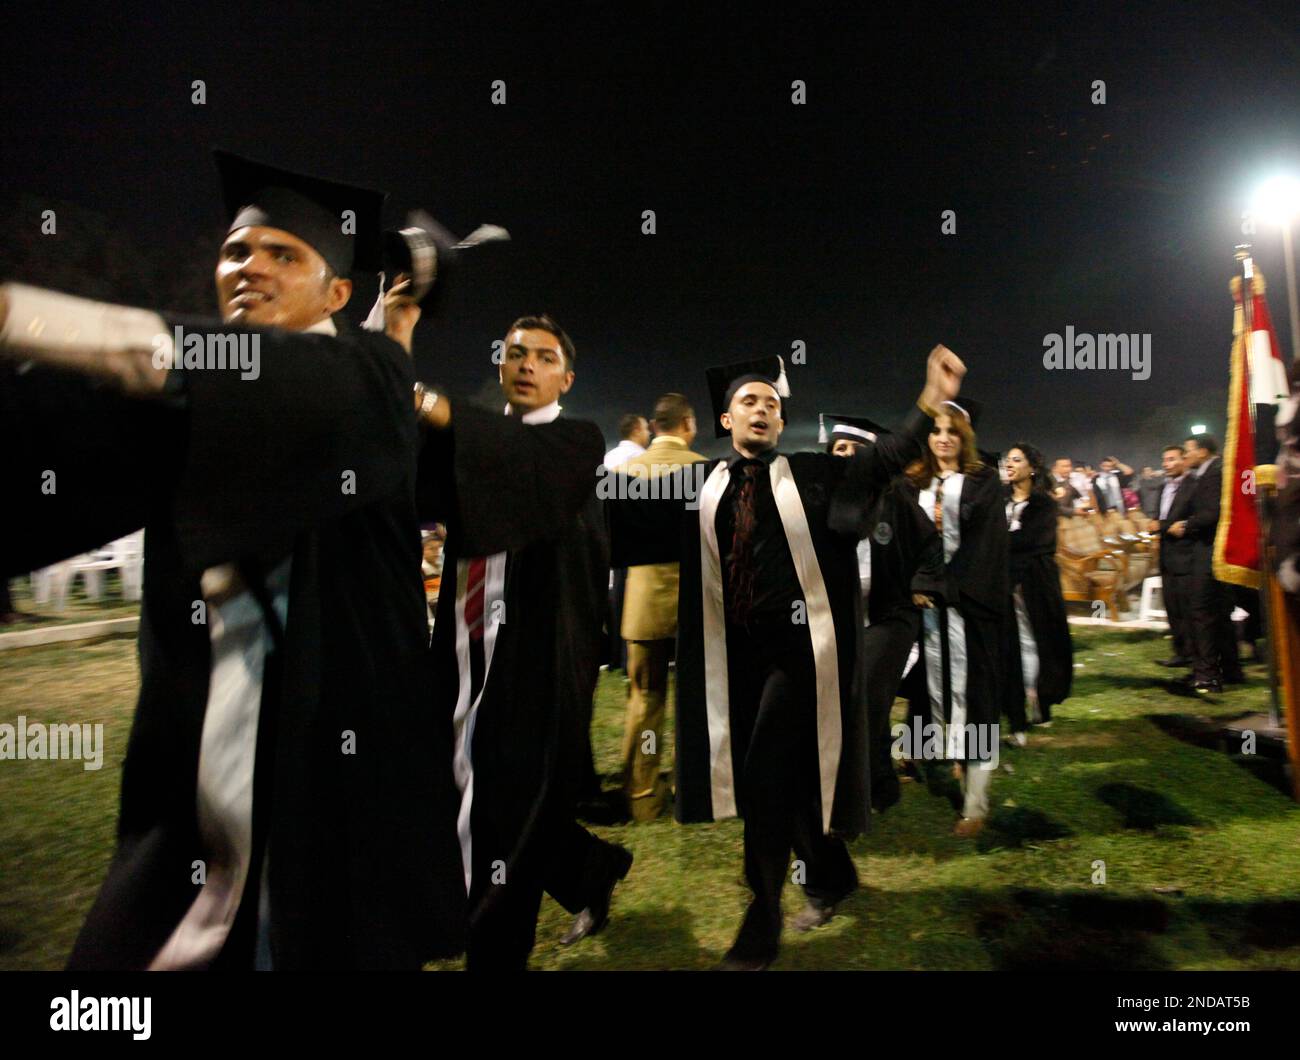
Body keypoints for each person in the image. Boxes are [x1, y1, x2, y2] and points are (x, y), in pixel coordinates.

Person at [0, 151, 464, 969]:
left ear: (338, 295)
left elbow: (242, 370)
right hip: (192, 800)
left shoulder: (372, 378)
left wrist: (21, 315)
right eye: (236, 251)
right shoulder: (189, 402)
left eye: (285, 254)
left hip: (334, 795)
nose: (249, 267)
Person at [607, 345, 967, 969]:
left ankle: (763, 913)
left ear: (779, 423)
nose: (761, 411)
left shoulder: (812, 475)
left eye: (771, 404)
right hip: (734, 658)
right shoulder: (701, 484)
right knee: (773, 781)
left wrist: (929, 400)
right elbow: (615, 515)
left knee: (768, 776)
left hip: (801, 657)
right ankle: (830, 875)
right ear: (725, 420)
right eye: (748, 401)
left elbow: (882, 461)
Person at [414, 313, 633, 968]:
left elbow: (519, 464)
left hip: (537, 667)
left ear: (566, 376)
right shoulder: (475, 446)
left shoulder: (576, 444)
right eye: (514, 354)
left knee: (506, 816)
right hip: (461, 650)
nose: (526, 364)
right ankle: (589, 869)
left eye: (542, 356)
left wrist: (426, 399)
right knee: (477, 799)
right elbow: (419, 489)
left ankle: (491, 954)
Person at [821, 413, 944, 813]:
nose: (848, 456)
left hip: (889, 617)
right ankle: (868, 783)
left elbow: (931, 546)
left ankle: (868, 789)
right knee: (845, 704)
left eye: (857, 450)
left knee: (868, 701)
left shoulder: (897, 498)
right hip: (842, 619)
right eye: (840, 449)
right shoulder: (822, 499)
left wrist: (923, 582)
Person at [901, 398, 1009, 838]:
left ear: (964, 438)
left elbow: (987, 547)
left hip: (971, 609)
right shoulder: (913, 483)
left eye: (952, 432)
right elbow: (903, 540)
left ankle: (975, 804)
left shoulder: (983, 483)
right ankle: (922, 758)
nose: (943, 439)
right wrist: (914, 584)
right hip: (924, 613)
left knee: (977, 701)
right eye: (936, 431)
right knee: (924, 696)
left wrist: (942, 587)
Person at [617, 393, 707, 822]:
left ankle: (642, 796)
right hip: (696, 606)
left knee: (646, 700)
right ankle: (695, 790)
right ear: (687, 424)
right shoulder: (706, 470)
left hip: (644, 605)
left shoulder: (624, 472)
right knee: (696, 704)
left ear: (654, 427)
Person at [1002, 443, 1072, 737]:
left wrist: (1000, 542)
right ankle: (1015, 701)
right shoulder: (999, 500)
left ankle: (1040, 699)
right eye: (1007, 460)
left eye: (1016, 460)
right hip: (1004, 581)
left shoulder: (1043, 504)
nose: (1009, 464)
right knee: (1012, 643)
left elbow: (1033, 542)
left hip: (1035, 582)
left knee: (1037, 640)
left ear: (1031, 468)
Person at [1170, 434, 1243, 692]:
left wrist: (1186, 525)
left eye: (1188, 451)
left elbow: (1212, 512)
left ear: (1202, 452)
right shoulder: (1206, 473)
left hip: (1209, 549)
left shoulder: (1214, 473)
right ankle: (1230, 669)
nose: (1185, 456)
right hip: (1211, 549)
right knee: (1218, 610)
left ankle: (1208, 675)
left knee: (1201, 610)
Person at [1148, 445, 1192, 668]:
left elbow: (1186, 518)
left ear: (1184, 460)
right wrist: (1154, 525)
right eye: (1165, 460)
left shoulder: (1191, 485)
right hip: (1166, 552)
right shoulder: (1163, 486)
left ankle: (1194, 653)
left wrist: (1161, 525)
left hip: (1185, 554)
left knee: (1187, 607)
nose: (1166, 464)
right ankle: (1180, 652)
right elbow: (1160, 515)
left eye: (1172, 459)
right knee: (1172, 606)